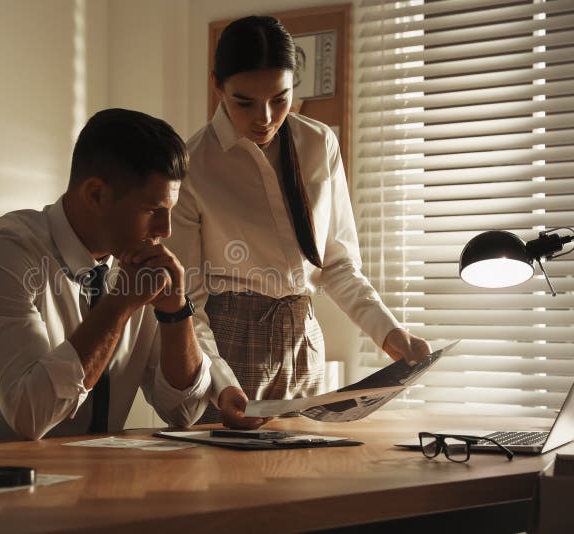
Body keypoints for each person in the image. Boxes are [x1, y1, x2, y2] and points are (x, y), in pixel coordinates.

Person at [167, 16, 432, 429]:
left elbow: (338, 265)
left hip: (304, 342)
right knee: (225, 483)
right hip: (227, 347)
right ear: (217, 85)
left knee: (304, 473)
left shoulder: (319, 143)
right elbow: (189, 304)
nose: (265, 117)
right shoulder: (192, 165)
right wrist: (220, 382)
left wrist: (392, 333)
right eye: (245, 102)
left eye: (280, 97)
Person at [0, 108, 212, 444]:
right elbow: (30, 417)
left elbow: (184, 413)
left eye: (170, 212)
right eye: (153, 210)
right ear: (95, 195)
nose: (165, 231)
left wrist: (175, 312)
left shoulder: (137, 268)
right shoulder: (1, 254)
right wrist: (119, 304)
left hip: (91, 477)